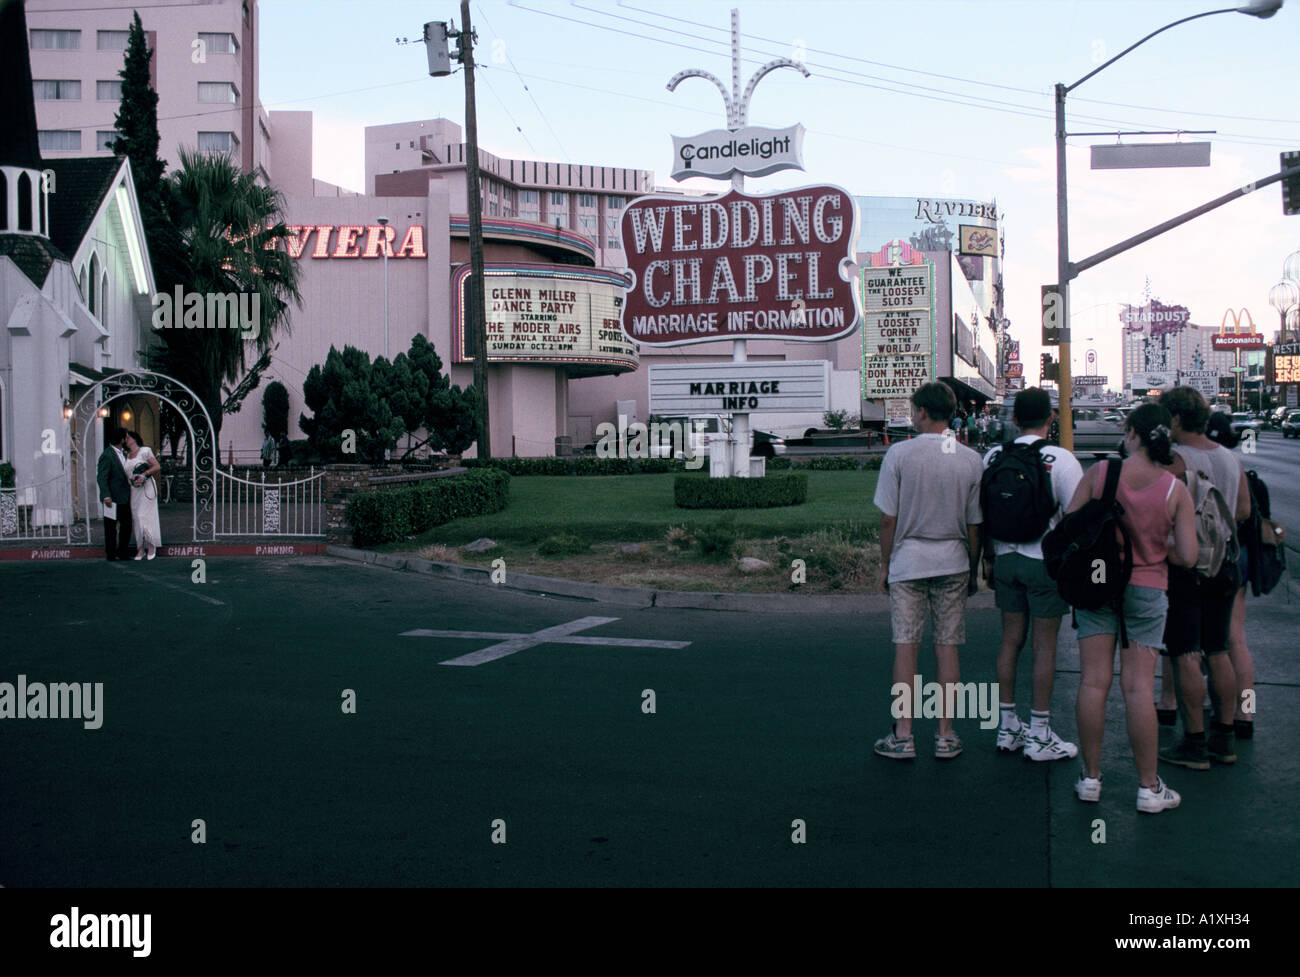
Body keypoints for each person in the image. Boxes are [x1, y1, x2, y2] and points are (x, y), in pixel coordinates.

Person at [1066, 403, 1197, 813]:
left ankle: (1090, 779)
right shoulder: (1176, 489)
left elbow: (1070, 527)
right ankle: (1147, 787)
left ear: (1134, 434)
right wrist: (1159, 547)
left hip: (1098, 585)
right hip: (1147, 589)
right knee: (1139, 688)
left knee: (1093, 682)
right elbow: (1189, 557)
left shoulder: (1101, 474)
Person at [873, 381, 984, 760]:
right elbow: (975, 524)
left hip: (908, 562)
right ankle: (945, 733)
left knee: (906, 646)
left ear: (921, 412)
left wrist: (885, 564)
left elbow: (888, 519)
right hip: (953, 561)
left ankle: (903, 735)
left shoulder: (900, 455)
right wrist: (973, 568)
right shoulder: (970, 459)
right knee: (947, 646)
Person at [982, 388, 1083, 760]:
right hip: (1044, 562)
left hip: (1004, 559)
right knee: (1045, 646)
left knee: (1010, 641)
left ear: (1013, 419)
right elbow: (1075, 519)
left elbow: (982, 511)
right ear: (1051, 419)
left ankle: (1007, 728)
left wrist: (989, 557)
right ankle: (1040, 732)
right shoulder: (1061, 459)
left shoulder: (993, 456)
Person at [1156, 387, 1251, 769]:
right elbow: (1242, 509)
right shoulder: (1229, 457)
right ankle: (1223, 737)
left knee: (1184, 653)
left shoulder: (1175, 460)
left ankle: (1193, 742)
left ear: (1176, 420)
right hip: (1225, 566)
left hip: (1186, 566)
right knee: (1218, 648)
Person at [1205, 412, 1257, 739]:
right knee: (1236, 639)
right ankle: (1246, 712)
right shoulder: (1237, 467)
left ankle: (1200, 705)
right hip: (1239, 556)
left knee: (1203, 641)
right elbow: (1245, 512)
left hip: (1210, 556)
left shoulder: (1192, 462)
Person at [123, 430, 162, 560]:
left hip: (147, 487)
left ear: (134, 438)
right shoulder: (126, 456)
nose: (127, 439)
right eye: (125, 438)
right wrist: (131, 480)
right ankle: (140, 548)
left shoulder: (145, 451)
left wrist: (143, 475)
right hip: (134, 490)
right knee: (137, 517)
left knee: (145, 515)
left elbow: (156, 466)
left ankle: (151, 545)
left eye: (128, 437)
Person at [96, 427, 133, 561]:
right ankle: (111, 553)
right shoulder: (107, 455)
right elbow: (102, 477)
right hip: (112, 497)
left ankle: (122, 551)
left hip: (124, 496)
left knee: (126, 525)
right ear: (121, 439)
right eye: (126, 437)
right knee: (111, 527)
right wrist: (106, 495)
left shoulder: (123, 453)